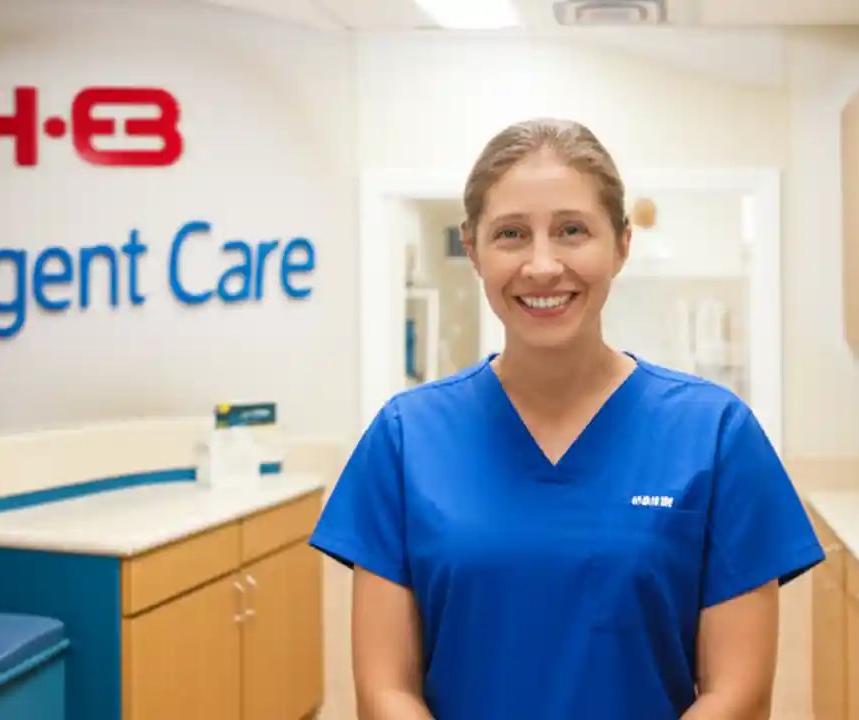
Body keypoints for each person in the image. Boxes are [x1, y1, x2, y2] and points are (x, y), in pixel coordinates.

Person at [308, 118, 824, 720]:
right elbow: (385, 691)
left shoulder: (716, 434)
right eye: (511, 235)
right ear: (472, 249)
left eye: (572, 230)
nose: (543, 265)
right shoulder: (405, 438)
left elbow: (738, 694)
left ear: (622, 245)